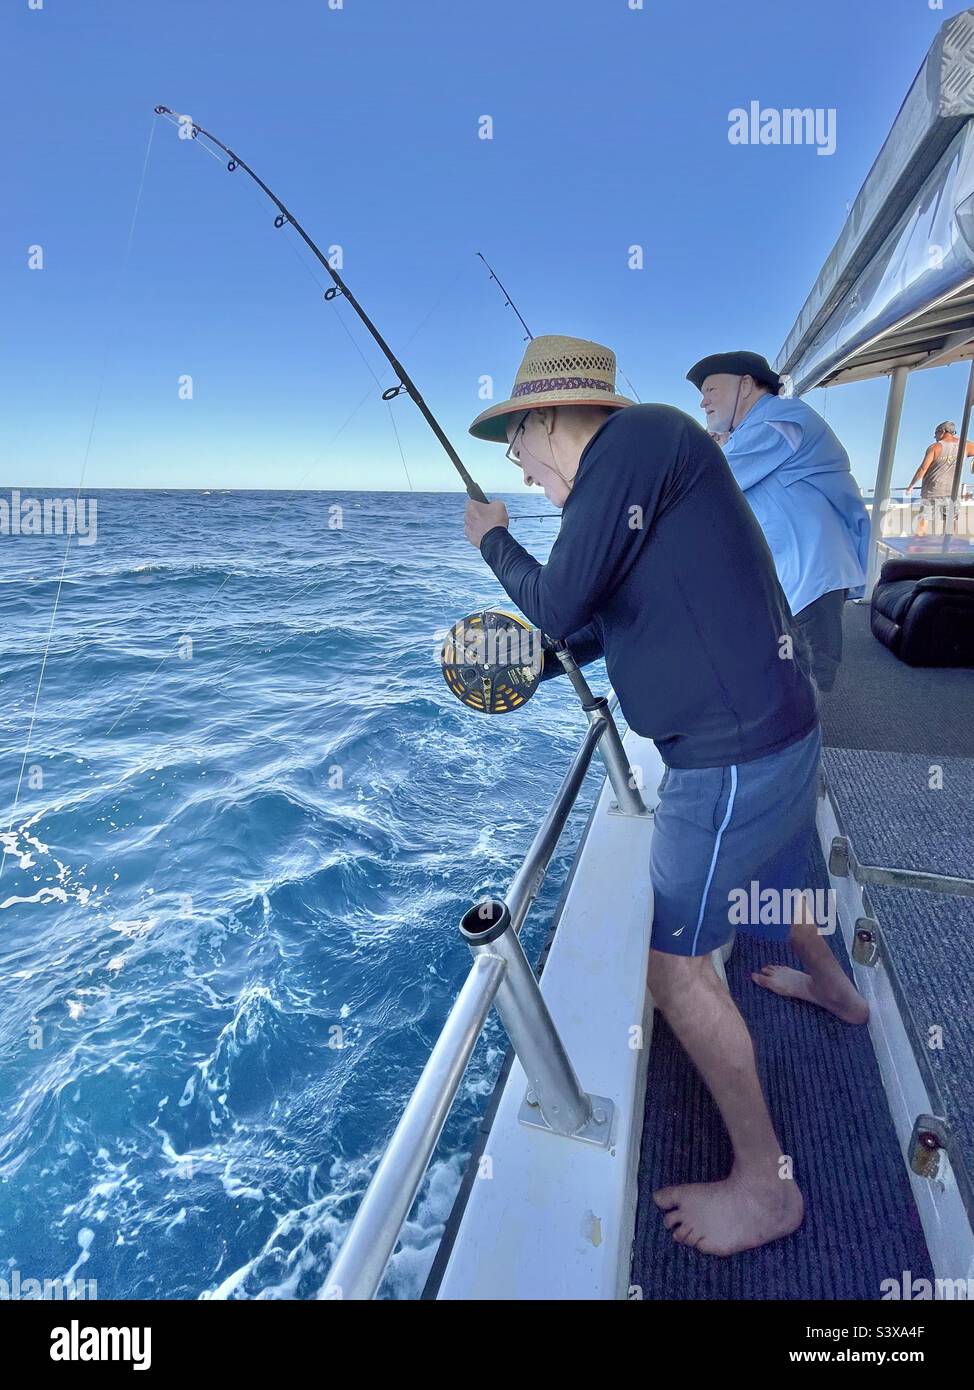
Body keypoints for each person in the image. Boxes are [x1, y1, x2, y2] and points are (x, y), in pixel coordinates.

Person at [462, 334, 868, 1259]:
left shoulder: (633, 441)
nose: (522, 470)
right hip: (781, 728)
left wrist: (492, 540)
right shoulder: (655, 461)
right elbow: (606, 621)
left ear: (543, 419)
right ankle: (839, 993)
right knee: (791, 868)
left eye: (516, 447)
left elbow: (559, 603)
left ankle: (769, 1186)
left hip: (728, 759)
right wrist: (537, 656)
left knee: (672, 968)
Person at [686, 351, 869, 694]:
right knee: (788, 680)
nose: (703, 402)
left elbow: (707, 482)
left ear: (745, 385)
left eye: (711, 390)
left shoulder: (780, 420)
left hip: (810, 578)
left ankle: (805, 745)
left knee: (805, 684)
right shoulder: (759, 429)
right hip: (792, 577)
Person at [907, 421, 974, 536]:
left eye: (936, 433)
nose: (935, 437)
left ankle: (916, 551)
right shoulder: (966, 445)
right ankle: (947, 551)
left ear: (942, 431)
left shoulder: (935, 447)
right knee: (949, 527)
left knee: (923, 523)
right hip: (953, 493)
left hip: (932, 492)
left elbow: (923, 468)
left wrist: (911, 485)